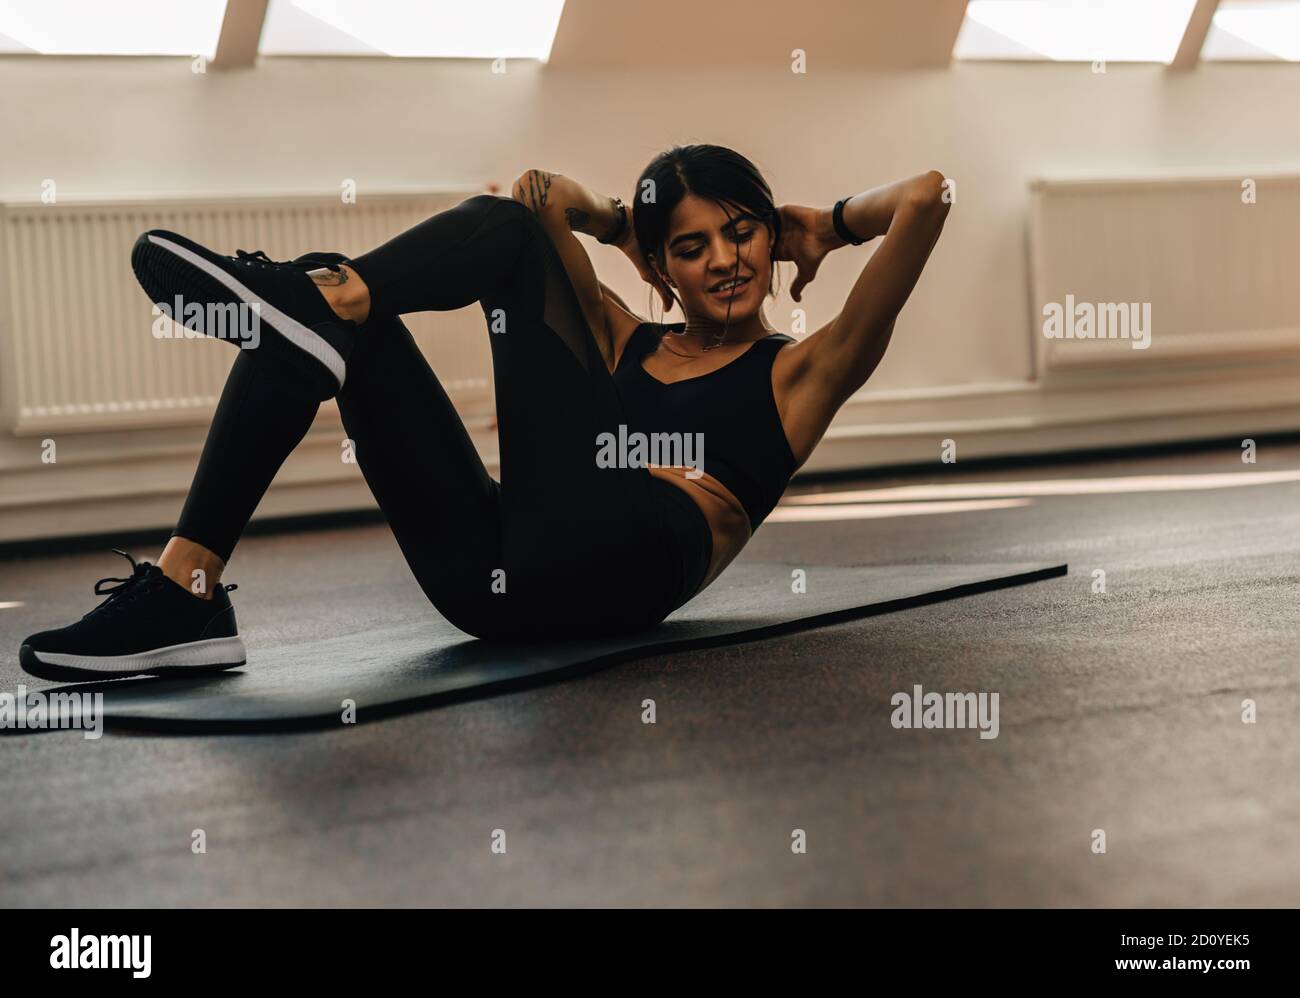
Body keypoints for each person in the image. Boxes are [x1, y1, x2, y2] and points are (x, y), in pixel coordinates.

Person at [19, 144, 950, 682]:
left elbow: (925, 197)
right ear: (664, 269)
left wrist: (820, 223)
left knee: (381, 286)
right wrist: (624, 225)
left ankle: (321, 297)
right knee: (345, 336)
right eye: (694, 246)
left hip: (627, 564)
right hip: (495, 583)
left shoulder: (804, 373)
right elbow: (537, 196)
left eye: (743, 231)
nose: (727, 259)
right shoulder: (622, 334)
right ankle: (188, 589)